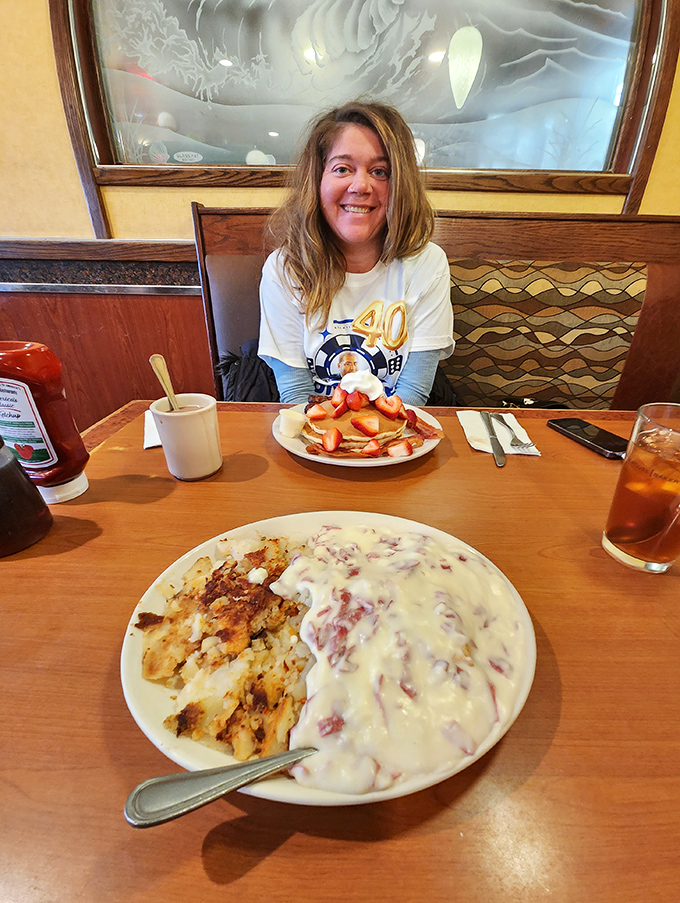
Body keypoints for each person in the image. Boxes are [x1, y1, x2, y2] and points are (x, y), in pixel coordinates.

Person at [258, 100, 454, 406]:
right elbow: (296, 396)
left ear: (400, 185)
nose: (360, 185)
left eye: (380, 171)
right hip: (317, 436)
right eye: (342, 169)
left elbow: (413, 393)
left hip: (394, 435)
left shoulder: (428, 264)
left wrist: (373, 446)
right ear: (317, 180)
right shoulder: (283, 269)